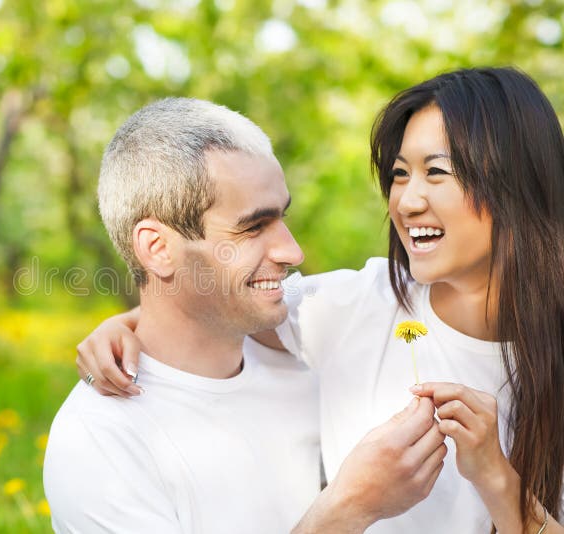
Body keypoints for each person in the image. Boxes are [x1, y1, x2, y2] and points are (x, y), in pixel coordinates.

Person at [75, 67, 564, 533]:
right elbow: (214, 294)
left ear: (518, 184)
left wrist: (497, 478)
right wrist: (127, 324)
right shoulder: (354, 306)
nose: (408, 201)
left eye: (437, 172)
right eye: (399, 174)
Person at [43, 97, 446, 533]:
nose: (293, 252)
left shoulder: (304, 355)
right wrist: (350, 506)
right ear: (157, 248)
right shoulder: (100, 442)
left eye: (282, 218)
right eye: (253, 227)